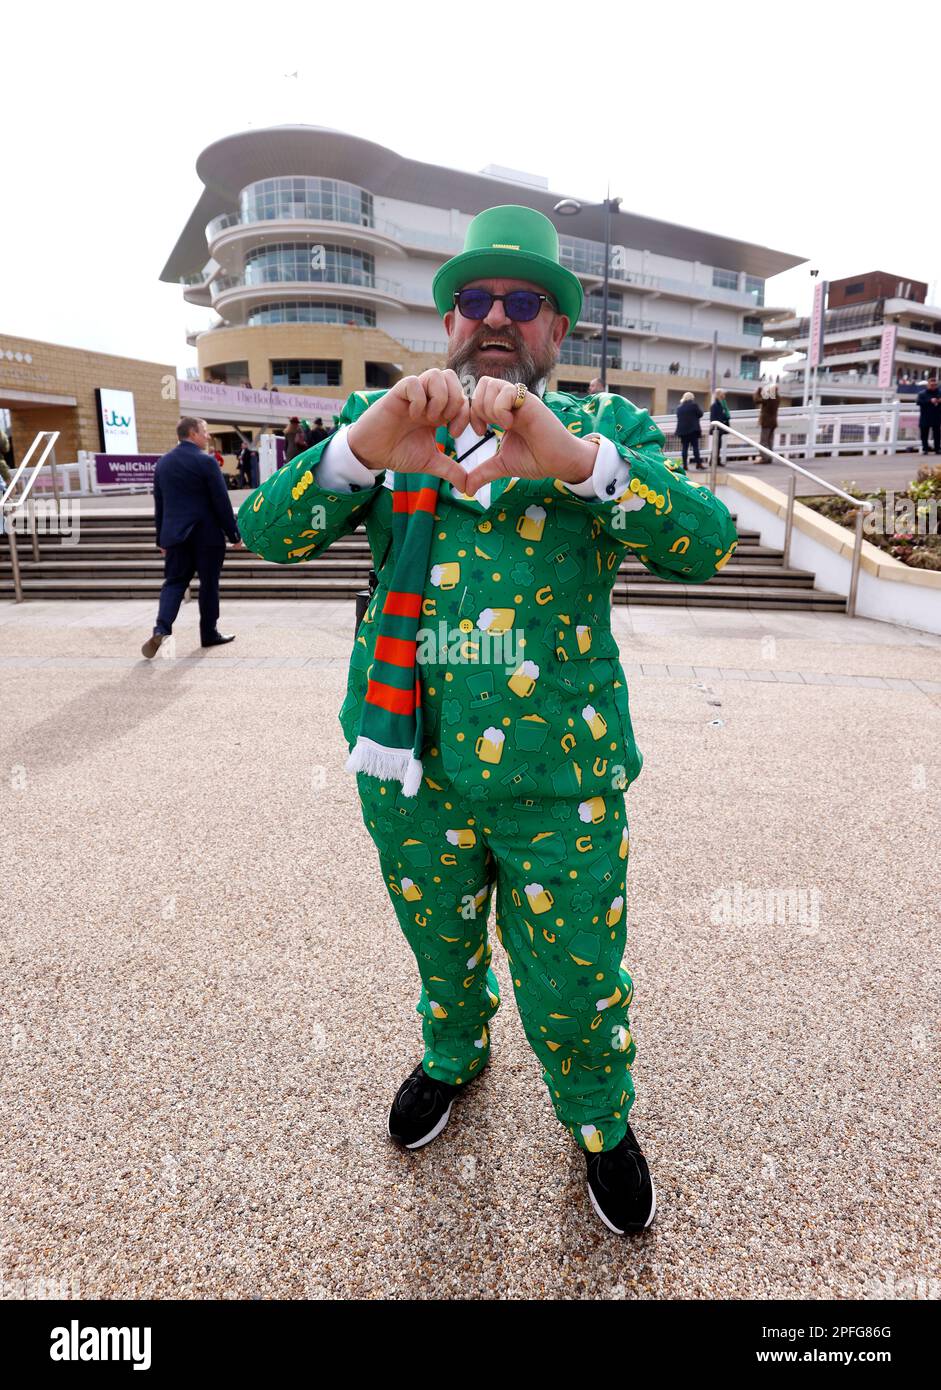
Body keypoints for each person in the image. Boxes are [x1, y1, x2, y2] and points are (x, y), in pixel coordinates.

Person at [237, 206, 738, 1235]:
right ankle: (454, 1052)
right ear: (451, 321)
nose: (495, 316)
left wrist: (576, 464)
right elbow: (265, 535)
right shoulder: (399, 427)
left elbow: (707, 542)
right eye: (475, 299)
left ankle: (597, 1118)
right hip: (409, 766)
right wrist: (357, 454)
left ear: (557, 328)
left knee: (574, 975)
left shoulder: (608, 437)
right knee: (440, 945)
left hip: (560, 782)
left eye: (523, 300)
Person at [141, 417, 243, 658]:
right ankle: (209, 633)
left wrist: (160, 540)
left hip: (174, 536)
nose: (207, 437)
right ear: (192, 433)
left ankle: (161, 627)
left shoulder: (163, 464)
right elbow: (221, 502)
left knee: (174, 583)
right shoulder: (205, 462)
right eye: (205, 432)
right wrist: (234, 534)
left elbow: (160, 504)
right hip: (206, 536)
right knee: (208, 585)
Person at [675, 391, 704, 469]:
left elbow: (678, 417)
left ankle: (685, 465)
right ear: (692, 398)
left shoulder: (679, 407)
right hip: (693, 430)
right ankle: (698, 464)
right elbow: (700, 414)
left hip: (683, 431)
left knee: (684, 448)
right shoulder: (694, 405)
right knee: (695, 448)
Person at [753, 383, 780, 463]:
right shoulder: (777, 397)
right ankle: (769, 458)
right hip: (773, 422)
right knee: (770, 441)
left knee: (763, 441)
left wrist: (758, 391)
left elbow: (757, 400)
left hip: (766, 422)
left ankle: (764, 458)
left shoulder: (769, 397)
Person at [917, 376, 941, 454]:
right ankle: (925, 449)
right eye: (931, 385)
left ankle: (937, 449)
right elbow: (918, 402)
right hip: (925, 416)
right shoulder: (922, 393)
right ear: (928, 385)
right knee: (924, 434)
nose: (933, 386)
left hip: (936, 416)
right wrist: (929, 401)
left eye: (935, 385)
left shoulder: (940, 392)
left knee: (937, 434)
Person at [709, 388, 730, 466]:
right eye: (722, 394)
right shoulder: (715, 405)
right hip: (717, 428)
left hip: (718, 427)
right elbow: (714, 417)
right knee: (716, 445)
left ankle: (715, 461)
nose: (724, 396)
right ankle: (713, 461)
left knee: (718, 445)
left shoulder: (719, 404)